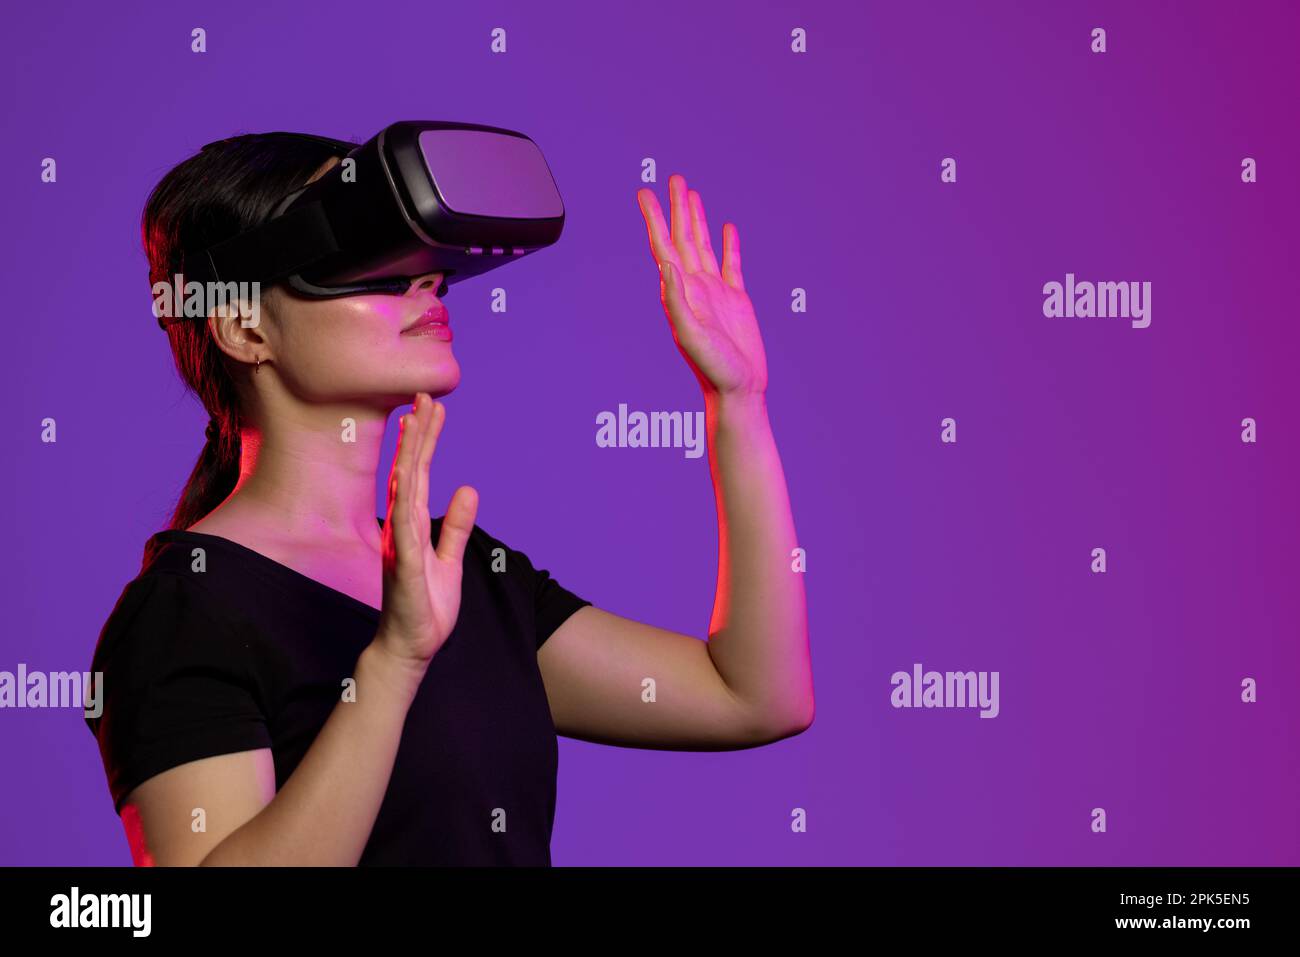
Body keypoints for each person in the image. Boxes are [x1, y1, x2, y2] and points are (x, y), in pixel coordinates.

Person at [85, 131, 813, 865]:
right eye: (368, 252)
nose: (425, 280)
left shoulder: (460, 569)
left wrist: (738, 403)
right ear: (243, 326)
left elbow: (752, 694)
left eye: (426, 260)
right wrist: (392, 662)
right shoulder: (183, 611)